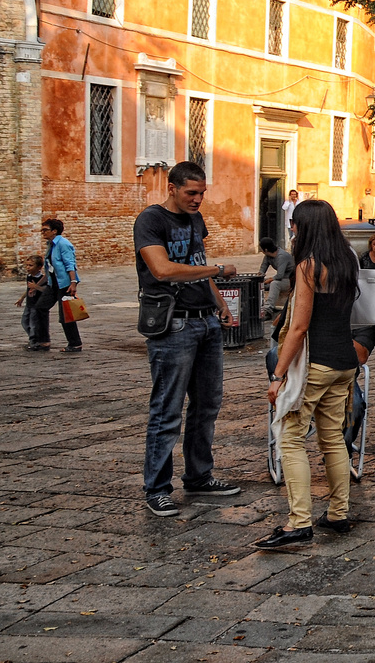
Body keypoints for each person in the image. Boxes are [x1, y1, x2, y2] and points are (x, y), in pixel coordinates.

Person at [136, 161, 242, 517]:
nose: (198, 199)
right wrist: (218, 270)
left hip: (205, 321)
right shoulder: (151, 220)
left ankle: (199, 476)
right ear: (172, 188)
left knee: (207, 405)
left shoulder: (196, 220)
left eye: (202, 193)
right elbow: (163, 269)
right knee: (167, 410)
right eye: (191, 193)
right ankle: (157, 488)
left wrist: (219, 303)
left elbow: (197, 263)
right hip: (173, 325)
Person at [256, 199, 359, 550]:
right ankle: (338, 513)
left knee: (290, 437)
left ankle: (298, 522)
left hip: (316, 364)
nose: (292, 231)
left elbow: (299, 327)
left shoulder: (308, 266)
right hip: (344, 362)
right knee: (333, 438)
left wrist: (278, 375)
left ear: (305, 228)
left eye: (295, 225)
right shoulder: (348, 261)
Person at [30, 219, 82, 352]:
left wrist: (73, 283)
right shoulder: (51, 244)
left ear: (54, 231)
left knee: (66, 313)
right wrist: (37, 285)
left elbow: (70, 264)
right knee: (40, 307)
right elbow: (50, 269)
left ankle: (75, 343)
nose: (43, 233)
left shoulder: (63, 244)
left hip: (64, 284)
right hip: (53, 283)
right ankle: (44, 341)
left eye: (45, 230)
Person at [259, 236, 295, 318]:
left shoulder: (282, 256)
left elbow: (279, 275)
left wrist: (268, 281)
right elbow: (263, 268)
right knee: (260, 284)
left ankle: (268, 309)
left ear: (265, 250)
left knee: (274, 284)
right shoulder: (268, 256)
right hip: (281, 279)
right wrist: (260, 277)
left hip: (289, 280)